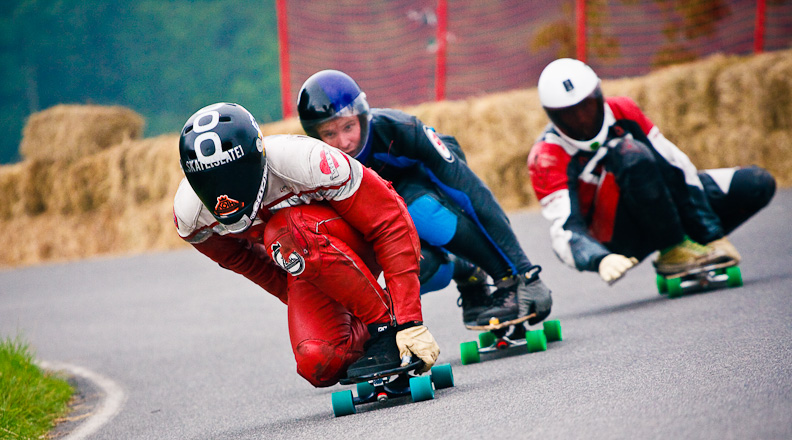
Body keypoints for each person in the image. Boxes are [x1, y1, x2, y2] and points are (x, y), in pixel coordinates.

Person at [173, 102, 440, 388]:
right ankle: (379, 325)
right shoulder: (190, 216)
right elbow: (256, 268)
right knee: (320, 362)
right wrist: (333, 299)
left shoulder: (307, 160)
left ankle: (387, 327)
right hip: (304, 258)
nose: (225, 194)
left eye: (233, 176)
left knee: (284, 231)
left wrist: (410, 321)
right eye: (210, 182)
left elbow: (390, 221)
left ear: (257, 156)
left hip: (357, 240)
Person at [296, 69, 553, 327]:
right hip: (384, 226)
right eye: (330, 134)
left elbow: (473, 195)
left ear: (363, 117)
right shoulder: (311, 166)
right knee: (421, 268)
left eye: (349, 127)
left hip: (422, 194)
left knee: (421, 211)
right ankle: (466, 270)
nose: (344, 143)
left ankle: (505, 280)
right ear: (316, 136)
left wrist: (524, 272)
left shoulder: (401, 131)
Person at [528, 58, 776, 284]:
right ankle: (673, 247)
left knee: (757, 184)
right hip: (618, 237)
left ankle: (691, 247)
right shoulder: (546, 156)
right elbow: (564, 231)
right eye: (569, 115)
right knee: (628, 152)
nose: (582, 120)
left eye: (587, 107)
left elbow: (675, 165)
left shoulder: (623, 110)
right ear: (552, 115)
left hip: (662, 205)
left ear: (599, 95)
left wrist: (713, 235)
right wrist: (599, 258)